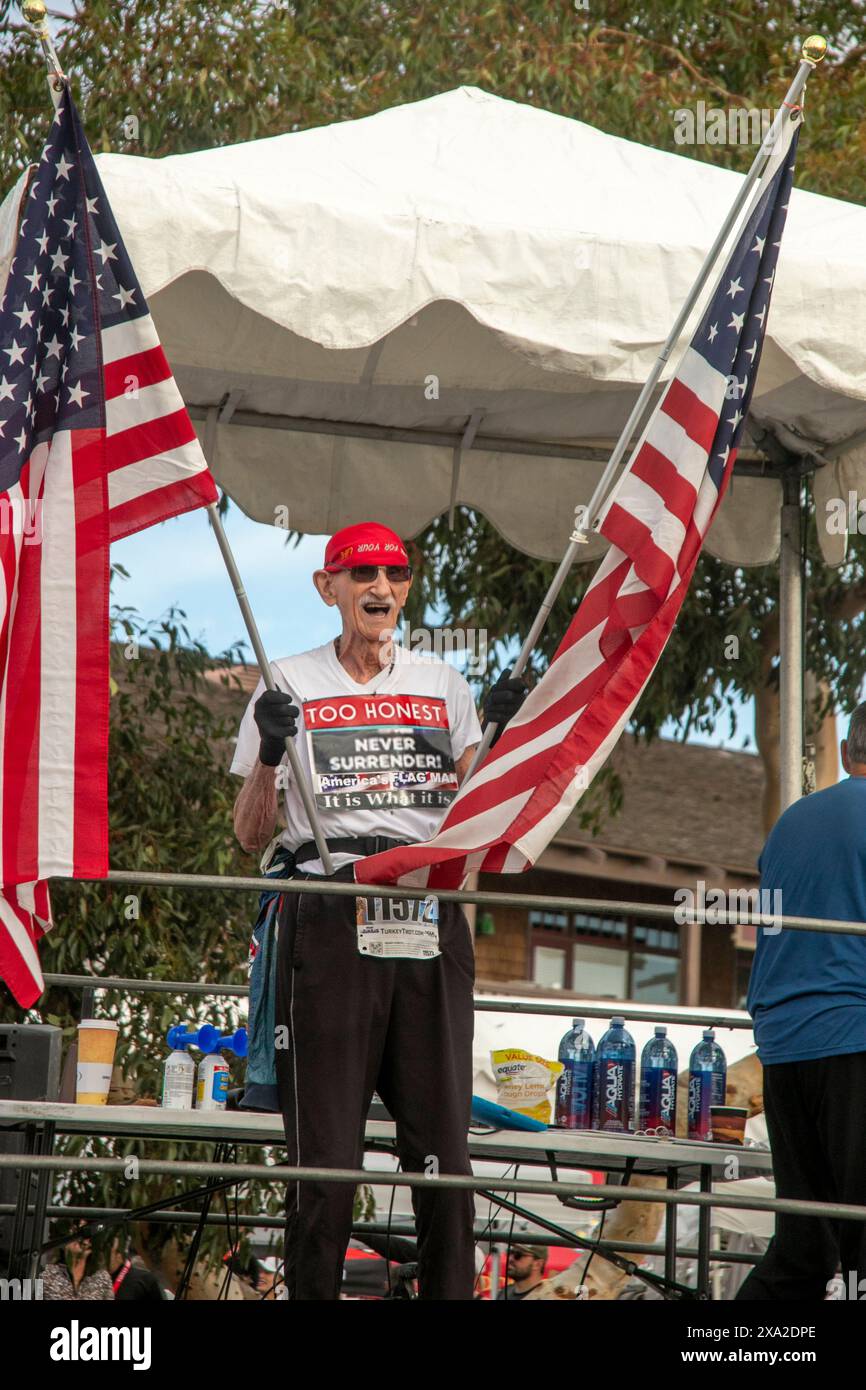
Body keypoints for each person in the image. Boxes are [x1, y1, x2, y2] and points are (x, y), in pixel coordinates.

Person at [230, 521, 527, 1301]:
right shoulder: (284, 679)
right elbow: (249, 834)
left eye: (395, 573)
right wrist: (267, 753)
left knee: (446, 1158)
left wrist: (504, 735)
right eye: (361, 572)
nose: (380, 587)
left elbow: (484, 806)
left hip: (426, 913)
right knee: (326, 1159)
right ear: (327, 587)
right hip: (329, 907)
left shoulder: (444, 685)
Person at [736, 703, 866, 1300]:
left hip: (784, 1051)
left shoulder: (791, 822)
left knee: (804, 1248)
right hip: (852, 1041)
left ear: (846, 754)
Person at [41, 1225, 113, 1301]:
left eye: (86, 1236)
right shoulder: (46, 1274)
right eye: (76, 1232)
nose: (82, 1240)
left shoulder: (102, 1278)